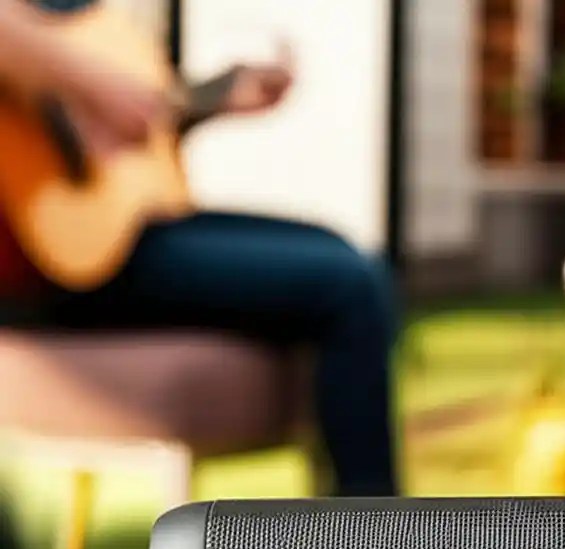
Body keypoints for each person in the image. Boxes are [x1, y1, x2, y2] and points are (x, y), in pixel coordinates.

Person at [0, 0, 399, 496]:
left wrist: (209, 100)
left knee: (353, 260)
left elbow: (128, 130)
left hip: (128, 229)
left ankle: (344, 523)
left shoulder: (73, 20)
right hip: (55, 267)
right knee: (346, 283)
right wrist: (97, 87)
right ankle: (375, 538)